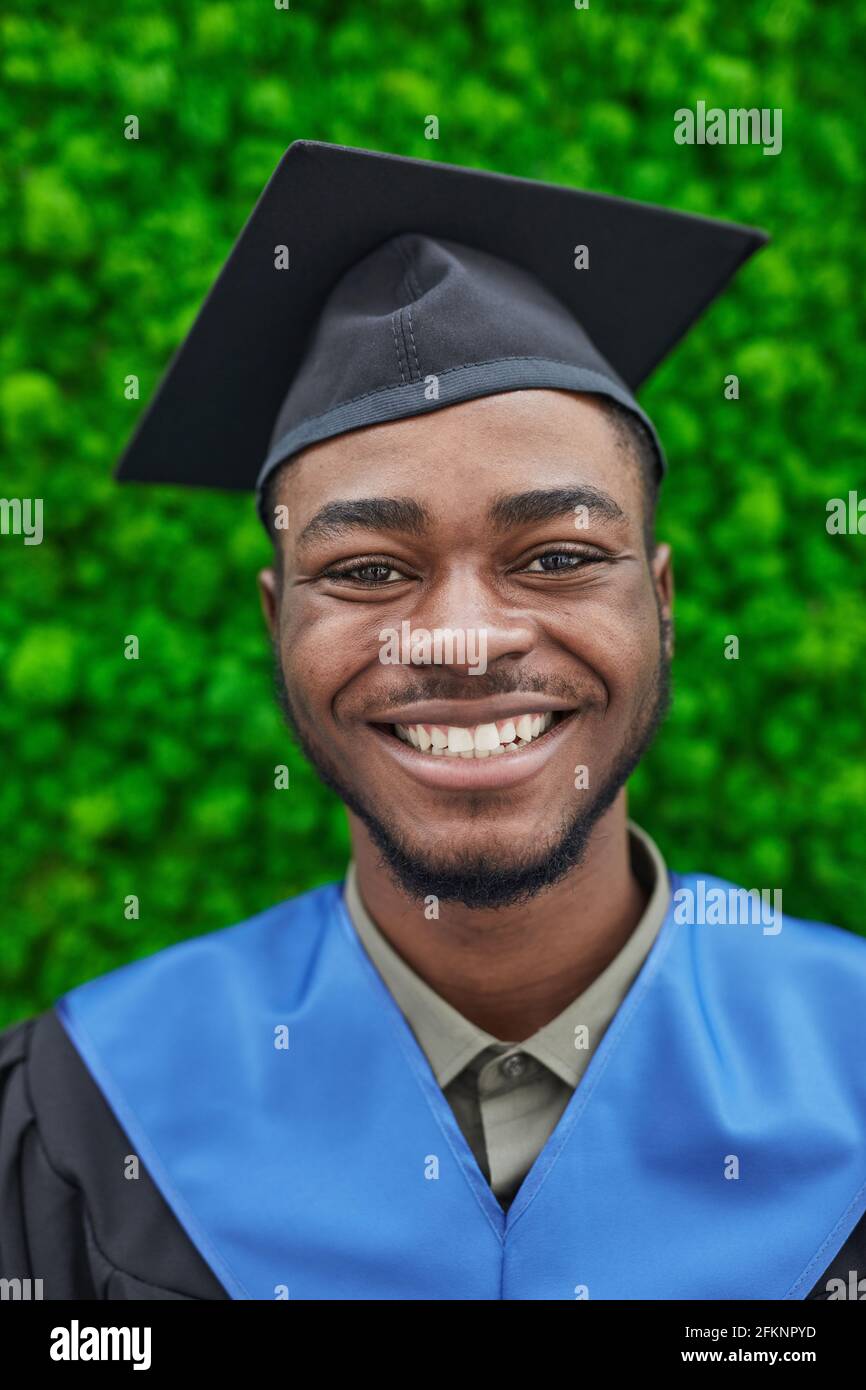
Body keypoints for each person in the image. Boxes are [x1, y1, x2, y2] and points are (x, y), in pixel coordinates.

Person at [1, 143, 864, 1301]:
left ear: (658, 604)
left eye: (557, 556)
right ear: (276, 623)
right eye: (365, 569)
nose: (462, 639)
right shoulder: (89, 1111)